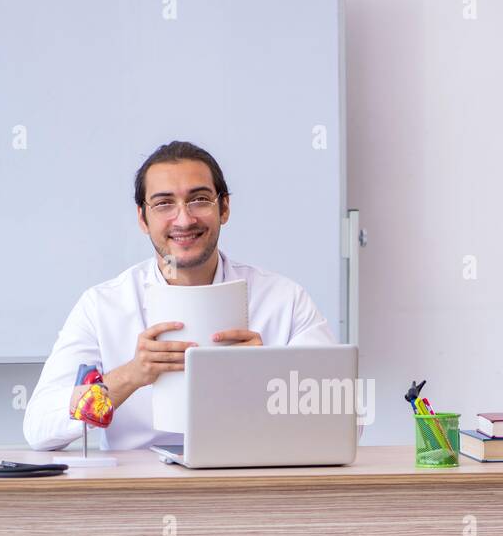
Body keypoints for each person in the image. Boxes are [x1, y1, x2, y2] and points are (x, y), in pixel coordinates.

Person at [23, 140, 336, 451]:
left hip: (250, 487)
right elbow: (39, 427)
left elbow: (344, 420)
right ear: (143, 219)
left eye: (199, 199)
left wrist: (268, 379)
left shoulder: (283, 300)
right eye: (163, 204)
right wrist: (130, 376)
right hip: (138, 493)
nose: (184, 219)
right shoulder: (103, 306)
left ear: (224, 207)